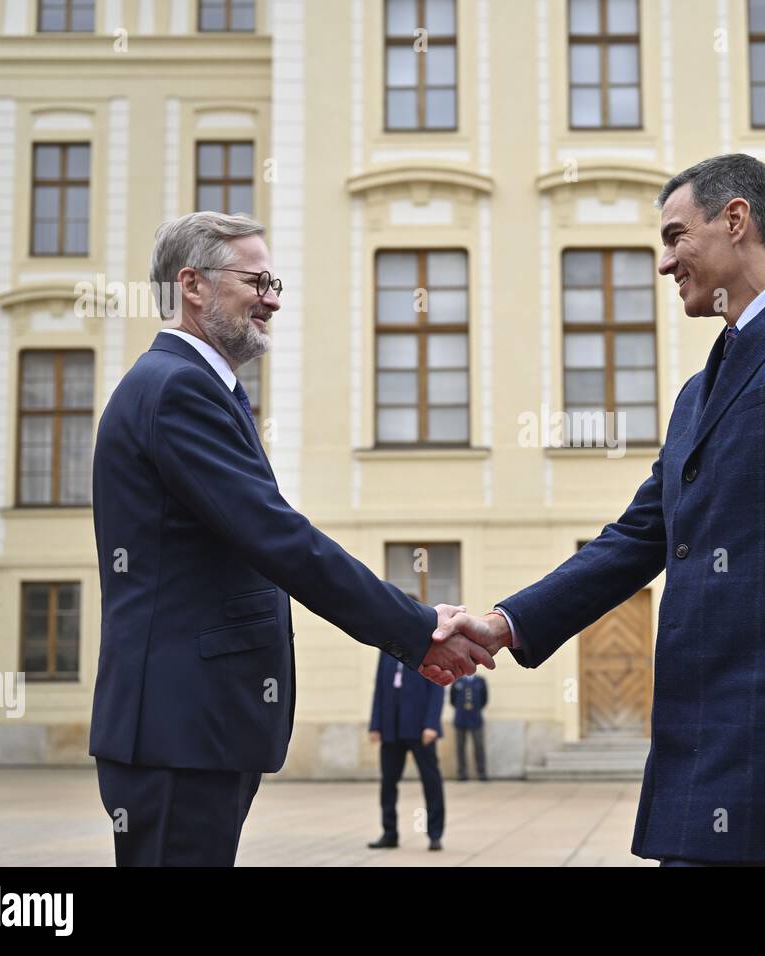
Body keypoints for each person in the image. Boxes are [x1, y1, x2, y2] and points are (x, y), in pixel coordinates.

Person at [430, 154, 765, 867]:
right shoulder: (696, 395)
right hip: (697, 720)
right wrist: (504, 622)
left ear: (736, 220)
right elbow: (635, 538)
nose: (666, 262)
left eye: (676, 236)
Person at [89, 211, 491, 866]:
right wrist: (416, 628)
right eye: (258, 280)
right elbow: (278, 538)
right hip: (178, 730)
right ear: (191, 285)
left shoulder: (192, 388)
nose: (274, 297)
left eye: (275, 281)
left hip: (191, 728)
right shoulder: (178, 389)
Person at [368, 653, 446, 851]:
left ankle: (435, 833)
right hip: (391, 727)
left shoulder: (427, 648)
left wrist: (432, 724)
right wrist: (375, 724)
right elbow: (379, 687)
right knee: (388, 782)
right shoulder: (386, 651)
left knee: (431, 781)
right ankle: (389, 833)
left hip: (420, 728)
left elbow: (437, 687)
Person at [450, 673, 488, 781]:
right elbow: (452, 700)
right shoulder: (457, 680)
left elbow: (484, 699)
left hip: (476, 718)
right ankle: (462, 773)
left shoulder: (480, 680)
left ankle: (482, 772)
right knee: (460, 747)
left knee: (479, 746)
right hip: (460, 718)